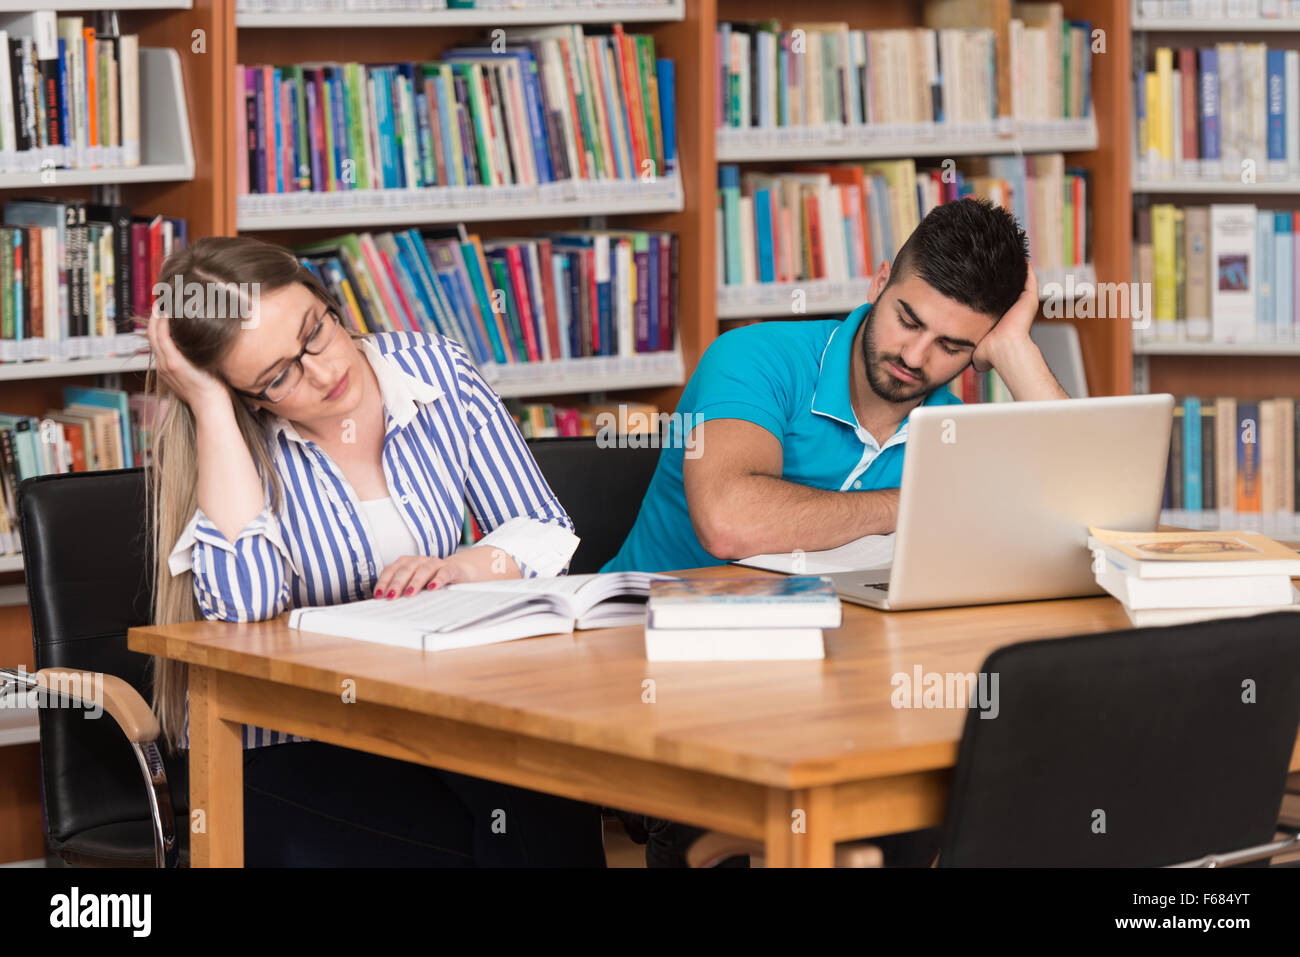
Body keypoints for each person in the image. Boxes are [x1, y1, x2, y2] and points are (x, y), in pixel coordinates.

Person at [602, 198, 1069, 866]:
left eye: (953, 346)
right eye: (909, 319)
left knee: (952, 784)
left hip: (833, 685)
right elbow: (730, 520)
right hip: (662, 672)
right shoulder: (754, 358)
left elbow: (1085, 528)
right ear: (878, 282)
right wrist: (912, 503)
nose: (915, 356)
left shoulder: (952, 422)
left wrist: (1017, 351)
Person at [147, 235, 604, 866]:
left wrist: (461, 568)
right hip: (284, 745)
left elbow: (541, 524)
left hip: (440, 713)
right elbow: (245, 607)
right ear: (246, 396)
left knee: (550, 793)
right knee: (467, 840)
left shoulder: (434, 368)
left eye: (316, 332)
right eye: (279, 376)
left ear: (328, 298)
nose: (325, 373)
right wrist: (210, 407)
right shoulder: (231, 443)